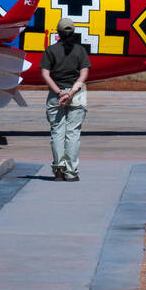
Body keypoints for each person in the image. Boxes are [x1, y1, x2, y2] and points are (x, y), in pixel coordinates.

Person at [40, 16, 90, 181]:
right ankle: (71, 172)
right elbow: (84, 73)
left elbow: (45, 74)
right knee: (73, 134)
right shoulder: (80, 50)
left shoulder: (50, 50)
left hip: (56, 96)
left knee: (57, 132)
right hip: (76, 96)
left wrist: (59, 92)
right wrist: (72, 91)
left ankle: (58, 170)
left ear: (58, 32)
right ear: (73, 32)